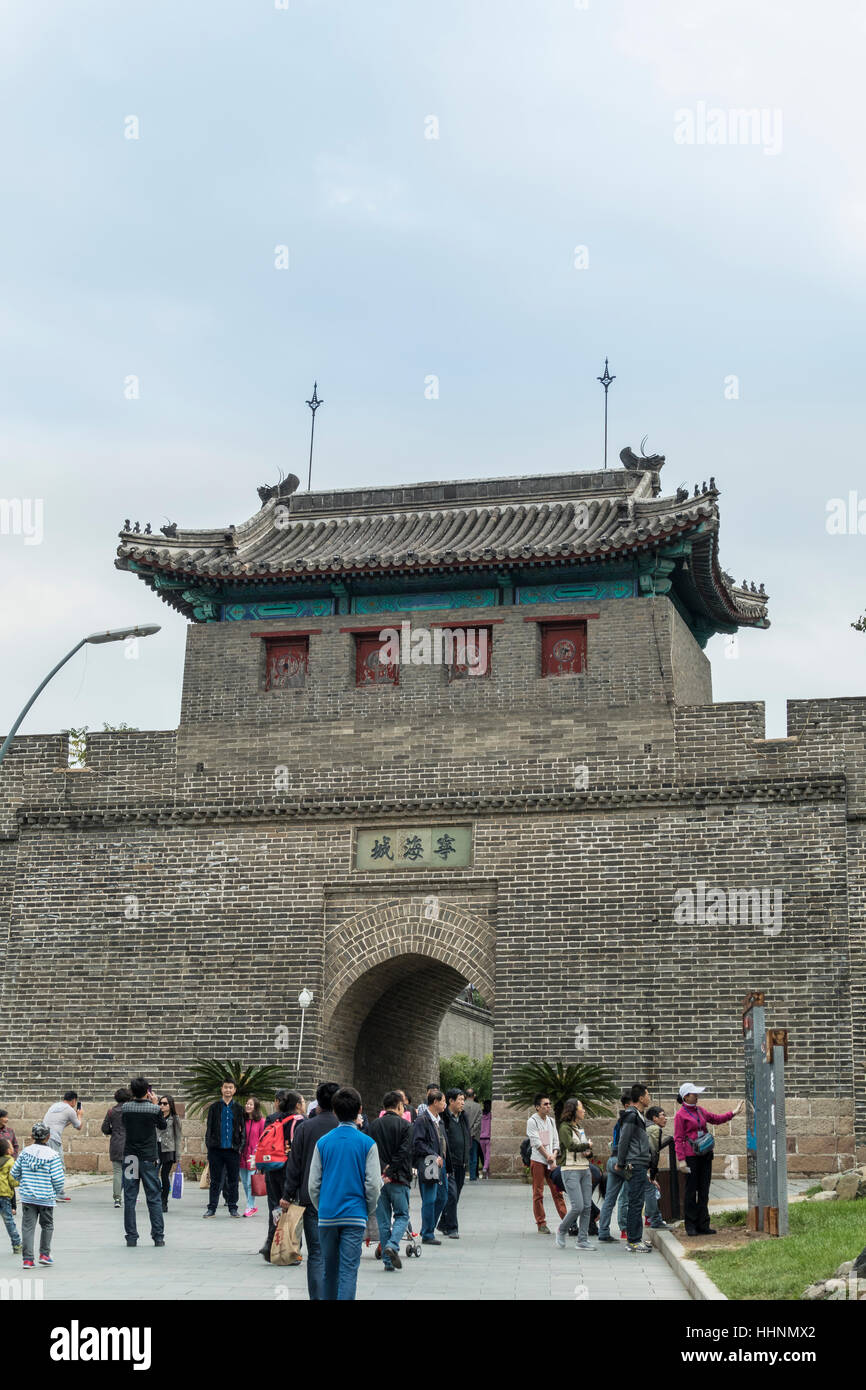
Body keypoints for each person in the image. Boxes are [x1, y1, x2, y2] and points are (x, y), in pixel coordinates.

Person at [308, 1086, 381, 1301]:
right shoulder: (367, 1143)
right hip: (354, 1215)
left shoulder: (323, 1143)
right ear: (360, 1110)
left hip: (328, 1214)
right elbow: (373, 1185)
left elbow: (313, 1184)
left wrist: (322, 1206)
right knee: (349, 1270)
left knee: (329, 1270)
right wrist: (366, 1208)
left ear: (335, 1110)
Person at [281, 1081, 339, 1299]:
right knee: (339, 1254)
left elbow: (294, 1165)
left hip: (311, 1198)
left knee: (316, 1253)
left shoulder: (306, 1127)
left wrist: (287, 1194)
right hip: (341, 1200)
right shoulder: (344, 1127)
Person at [674, 1083, 742, 1237]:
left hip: (705, 1155)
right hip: (691, 1157)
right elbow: (678, 1139)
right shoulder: (680, 1115)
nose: (697, 1096)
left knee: (704, 1191)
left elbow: (716, 1119)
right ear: (686, 1097)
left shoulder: (700, 1110)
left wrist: (734, 1112)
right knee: (691, 1191)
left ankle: (703, 1224)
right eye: (694, 1094)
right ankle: (690, 1225)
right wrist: (681, 1160)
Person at [121, 1076, 167, 1247]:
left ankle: (131, 1236)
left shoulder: (126, 1107)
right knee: (154, 1197)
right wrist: (155, 1105)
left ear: (132, 1091)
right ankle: (158, 1236)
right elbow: (162, 1126)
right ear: (147, 1091)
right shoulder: (154, 1110)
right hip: (149, 1157)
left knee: (130, 1197)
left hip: (131, 1157)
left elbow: (125, 1124)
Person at [369, 1090, 413, 1270]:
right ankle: (392, 1245)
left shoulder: (373, 1125)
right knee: (402, 1215)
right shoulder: (405, 1126)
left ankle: (388, 1262)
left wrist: (382, 1169)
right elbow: (404, 1152)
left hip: (379, 1180)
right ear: (399, 1105)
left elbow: (370, 1150)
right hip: (399, 1178)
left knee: (384, 1221)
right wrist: (392, 1169)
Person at [258, 1089, 305, 1259]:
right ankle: (291, 1249)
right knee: (292, 1209)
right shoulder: (300, 1122)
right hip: (289, 1169)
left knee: (275, 1207)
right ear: (297, 1105)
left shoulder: (272, 1119)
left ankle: (271, 1243)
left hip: (272, 1168)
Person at [10, 1122, 64, 1267]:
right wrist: (55, 1191)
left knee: (28, 1227)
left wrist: (25, 1181)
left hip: (28, 1197)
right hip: (46, 1198)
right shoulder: (53, 1155)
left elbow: (14, 1173)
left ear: (32, 1136)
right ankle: (45, 1254)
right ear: (48, 1137)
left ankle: (27, 1259)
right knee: (47, 1225)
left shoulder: (25, 1152)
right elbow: (58, 1179)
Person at [614, 1083, 654, 1254]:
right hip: (634, 1163)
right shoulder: (631, 1116)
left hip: (640, 1162)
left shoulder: (638, 1115)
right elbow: (624, 1140)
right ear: (641, 1098)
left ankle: (635, 1237)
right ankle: (633, 1240)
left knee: (638, 1201)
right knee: (635, 1202)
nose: (649, 1097)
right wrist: (621, 1162)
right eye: (647, 1094)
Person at [203, 1078, 245, 1219]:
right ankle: (212, 1208)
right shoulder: (214, 1107)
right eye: (225, 1087)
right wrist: (209, 1146)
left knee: (233, 1180)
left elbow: (242, 1130)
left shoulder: (239, 1108)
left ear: (234, 1090)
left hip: (233, 1150)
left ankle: (233, 1207)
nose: (228, 1090)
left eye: (230, 1087)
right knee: (215, 1180)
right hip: (216, 1150)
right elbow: (209, 1128)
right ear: (221, 1089)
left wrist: (240, 1147)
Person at [555, 1097, 594, 1250]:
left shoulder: (579, 1127)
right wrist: (586, 1145)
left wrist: (589, 1152)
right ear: (573, 1110)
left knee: (587, 1206)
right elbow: (570, 1146)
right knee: (577, 1206)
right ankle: (562, 1229)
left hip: (584, 1169)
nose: (583, 1110)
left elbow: (584, 1149)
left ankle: (582, 1240)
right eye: (581, 1108)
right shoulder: (564, 1128)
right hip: (570, 1169)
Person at [596, 1091, 634, 1242]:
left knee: (610, 1199)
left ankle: (603, 1232)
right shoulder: (629, 1120)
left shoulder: (619, 1121)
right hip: (621, 1161)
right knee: (630, 1196)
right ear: (627, 1105)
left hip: (612, 1160)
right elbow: (626, 1143)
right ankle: (627, 1229)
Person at [526, 1094, 567, 1233]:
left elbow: (556, 1140)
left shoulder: (551, 1121)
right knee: (538, 1192)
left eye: (549, 1104)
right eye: (545, 1104)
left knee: (557, 1190)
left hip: (551, 1161)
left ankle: (567, 1220)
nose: (548, 1106)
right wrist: (547, 1156)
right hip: (538, 1160)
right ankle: (541, 1223)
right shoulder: (532, 1121)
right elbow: (536, 1142)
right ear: (537, 1107)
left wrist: (553, 1155)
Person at [413, 1087, 448, 1244]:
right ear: (435, 1102)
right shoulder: (422, 1120)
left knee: (443, 1197)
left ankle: (428, 1227)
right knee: (429, 1199)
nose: (445, 1104)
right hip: (429, 1163)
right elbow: (417, 1143)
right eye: (443, 1101)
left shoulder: (438, 1120)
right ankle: (428, 1233)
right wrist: (434, 1156)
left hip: (441, 1164)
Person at [439, 1088, 471, 1238]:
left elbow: (467, 1136)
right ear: (451, 1101)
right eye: (460, 1099)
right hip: (449, 1163)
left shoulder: (463, 1117)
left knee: (455, 1195)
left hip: (461, 1162)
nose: (462, 1103)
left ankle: (442, 1223)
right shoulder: (443, 1118)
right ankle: (452, 1228)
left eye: (463, 1100)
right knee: (451, 1194)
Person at [42, 1091, 81, 1201]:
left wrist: (73, 1119)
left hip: (44, 1137)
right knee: (59, 1165)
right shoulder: (70, 1110)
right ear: (73, 1100)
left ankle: (50, 1191)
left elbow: (60, 1122)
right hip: (54, 1138)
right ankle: (58, 1193)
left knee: (48, 1164)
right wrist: (79, 1115)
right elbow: (78, 1126)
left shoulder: (55, 1106)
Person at [101, 1087, 132, 1209]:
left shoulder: (111, 1111)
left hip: (116, 1144)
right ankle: (130, 1196)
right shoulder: (131, 1110)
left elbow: (104, 1128)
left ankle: (117, 1199)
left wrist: (112, 1131)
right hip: (131, 1144)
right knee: (130, 1172)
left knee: (118, 1172)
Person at [644, 1106, 672, 1231]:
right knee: (650, 1190)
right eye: (662, 1115)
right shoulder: (654, 1129)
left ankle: (605, 1230)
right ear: (655, 1118)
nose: (665, 1118)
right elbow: (654, 1152)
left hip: (630, 1164)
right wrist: (653, 1174)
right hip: (640, 1165)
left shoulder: (646, 1126)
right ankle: (655, 1220)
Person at [239, 1095, 265, 1217]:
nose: (248, 1106)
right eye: (247, 1104)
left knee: (250, 1182)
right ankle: (252, 1205)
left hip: (253, 1156)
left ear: (255, 1107)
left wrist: (258, 1154)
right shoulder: (242, 1120)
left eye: (250, 1104)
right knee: (244, 1182)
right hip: (242, 1154)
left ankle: (250, 1206)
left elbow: (262, 1139)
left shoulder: (261, 1121)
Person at [157, 1094, 182, 1213]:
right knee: (153, 1175)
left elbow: (178, 1137)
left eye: (165, 1103)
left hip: (168, 1150)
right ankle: (156, 1198)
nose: (162, 1105)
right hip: (156, 1148)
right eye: (160, 1103)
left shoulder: (175, 1118)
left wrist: (178, 1155)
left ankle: (164, 1201)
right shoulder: (156, 1116)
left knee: (164, 1175)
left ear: (170, 1105)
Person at [0, 1138, 21, 1254]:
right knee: (8, 1221)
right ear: (8, 1151)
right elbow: (12, 1181)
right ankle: (17, 1244)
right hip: (4, 1195)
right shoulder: (10, 1162)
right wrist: (20, 1182)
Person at [463, 1088, 483, 1181]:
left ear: (465, 1096)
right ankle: (472, 1176)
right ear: (474, 1095)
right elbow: (479, 1121)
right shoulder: (478, 1106)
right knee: (474, 1156)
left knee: (462, 1155)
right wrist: (473, 1132)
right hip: (474, 1135)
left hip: (463, 1134)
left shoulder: (462, 1105)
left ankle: (461, 1175)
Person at [479, 1099, 492, 1178]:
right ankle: (485, 1168)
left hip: (481, 1138)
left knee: (484, 1156)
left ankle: (487, 1173)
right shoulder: (490, 1115)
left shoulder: (481, 1115)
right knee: (488, 1156)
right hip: (488, 1138)